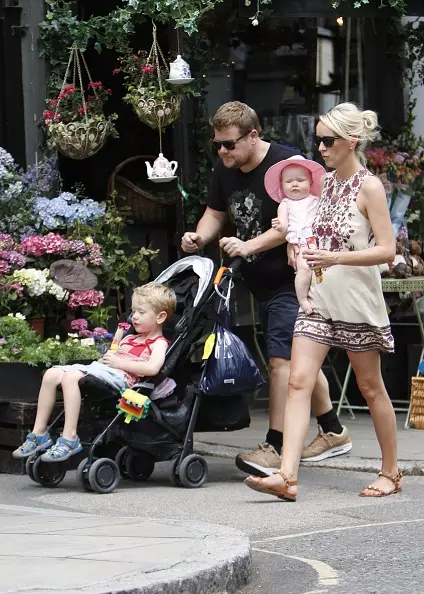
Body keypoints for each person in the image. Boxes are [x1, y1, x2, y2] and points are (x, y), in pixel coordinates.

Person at [181, 101, 351, 478]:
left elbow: (293, 222)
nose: (222, 151)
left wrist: (247, 246)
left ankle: (274, 446)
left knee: (281, 362)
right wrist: (199, 236)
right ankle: (334, 431)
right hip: (261, 282)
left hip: (295, 279)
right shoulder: (226, 168)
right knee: (296, 357)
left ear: (253, 135)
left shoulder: (285, 164)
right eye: (217, 145)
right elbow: (216, 212)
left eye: (228, 144)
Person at [245, 102, 402, 500]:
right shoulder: (324, 184)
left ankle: (391, 472)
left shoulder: (369, 187)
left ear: (351, 142)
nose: (321, 149)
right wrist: (289, 235)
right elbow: (302, 223)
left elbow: (386, 250)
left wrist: (335, 257)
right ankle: (287, 475)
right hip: (317, 298)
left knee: (370, 387)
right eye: (317, 141)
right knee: (298, 381)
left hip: (355, 298)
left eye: (328, 141)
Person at [13, 282, 176, 463]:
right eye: (133, 311)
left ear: (160, 317)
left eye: (141, 312)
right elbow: (111, 359)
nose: (134, 316)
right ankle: (39, 433)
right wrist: (110, 355)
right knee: (51, 374)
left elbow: (153, 368)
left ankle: (70, 437)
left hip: (124, 380)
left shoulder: (158, 343)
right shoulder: (130, 337)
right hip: (106, 371)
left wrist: (118, 361)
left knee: (71, 377)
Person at [267, 155, 326, 315]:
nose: (294, 184)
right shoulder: (285, 204)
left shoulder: (316, 200)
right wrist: (279, 226)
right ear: (281, 185)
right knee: (304, 269)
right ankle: (303, 299)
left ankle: (323, 298)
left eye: (300, 180)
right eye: (288, 181)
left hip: (319, 241)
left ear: (311, 182)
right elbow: (285, 224)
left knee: (323, 271)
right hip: (301, 245)